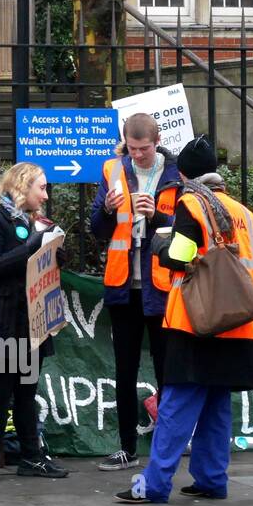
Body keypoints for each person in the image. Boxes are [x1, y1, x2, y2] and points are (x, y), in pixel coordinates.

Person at [116, 135, 253, 504]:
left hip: (199, 321)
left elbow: (182, 255)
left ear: (183, 173)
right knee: (216, 404)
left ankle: (153, 486)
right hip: (241, 322)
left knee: (176, 406)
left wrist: (160, 246)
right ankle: (213, 479)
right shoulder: (241, 210)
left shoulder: (193, 203)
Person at [89, 113, 183, 471]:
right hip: (124, 286)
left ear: (156, 141)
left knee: (167, 371)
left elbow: (185, 231)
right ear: (125, 142)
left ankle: (167, 447)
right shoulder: (113, 169)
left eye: (144, 149)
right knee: (124, 370)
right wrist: (110, 210)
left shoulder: (175, 175)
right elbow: (96, 228)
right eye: (132, 148)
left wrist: (157, 218)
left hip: (160, 288)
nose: (138, 155)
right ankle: (127, 447)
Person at [0, 163, 70, 483]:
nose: (45, 194)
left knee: (27, 393)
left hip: (31, 321)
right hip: (2, 322)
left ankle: (32, 457)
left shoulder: (37, 223)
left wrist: (55, 253)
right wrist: (32, 247)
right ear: (22, 187)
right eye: (40, 188)